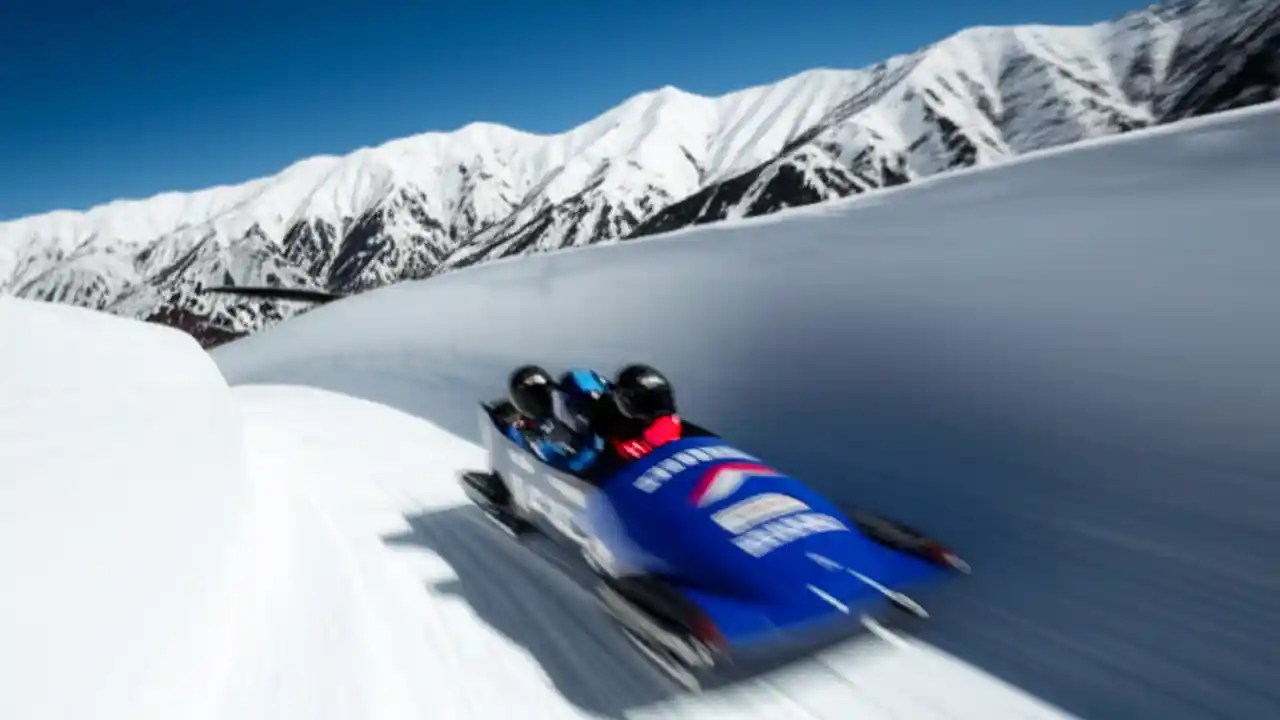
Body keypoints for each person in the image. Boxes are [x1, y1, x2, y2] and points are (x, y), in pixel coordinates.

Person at [504, 365, 607, 474]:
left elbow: (604, 385)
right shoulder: (528, 429)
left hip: (610, 443)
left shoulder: (571, 385)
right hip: (587, 473)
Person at [598, 364, 683, 461]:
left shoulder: (658, 436)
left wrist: (609, 436)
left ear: (645, 403)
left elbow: (626, 453)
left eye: (627, 396)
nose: (622, 399)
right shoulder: (664, 419)